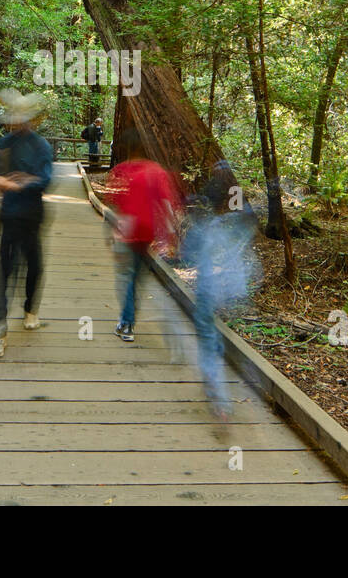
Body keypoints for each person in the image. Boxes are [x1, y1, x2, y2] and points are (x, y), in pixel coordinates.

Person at [181, 160, 260, 421]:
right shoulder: (236, 219)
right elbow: (249, 227)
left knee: (206, 333)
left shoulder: (203, 226)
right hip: (234, 287)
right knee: (218, 332)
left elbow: (187, 256)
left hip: (208, 287)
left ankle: (219, 396)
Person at [0, 90, 54, 358]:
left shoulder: (42, 147)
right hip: (9, 216)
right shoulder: (4, 143)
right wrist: (0, 181)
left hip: (32, 215)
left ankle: (30, 310)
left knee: (34, 266)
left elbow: (45, 179)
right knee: (5, 271)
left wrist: (19, 182)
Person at [104, 128, 179, 343]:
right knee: (135, 277)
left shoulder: (120, 170)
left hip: (125, 230)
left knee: (125, 277)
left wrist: (109, 234)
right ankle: (129, 316)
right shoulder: (156, 171)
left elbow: (113, 204)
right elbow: (165, 203)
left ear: (126, 148)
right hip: (146, 232)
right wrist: (171, 232)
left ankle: (126, 323)